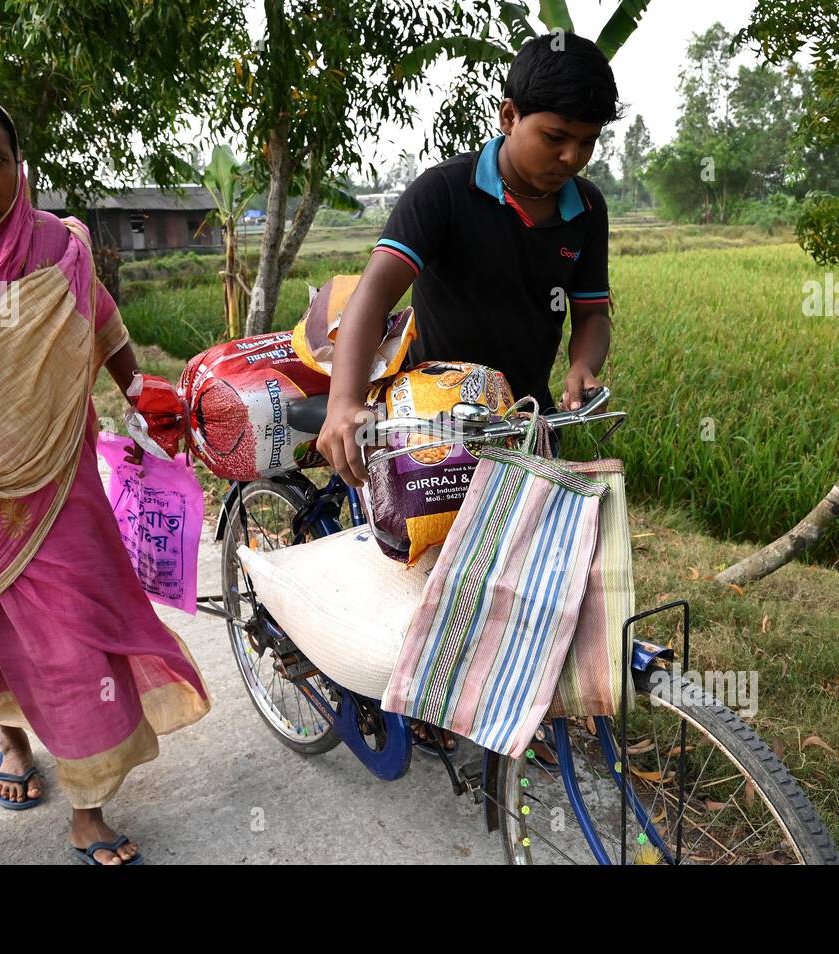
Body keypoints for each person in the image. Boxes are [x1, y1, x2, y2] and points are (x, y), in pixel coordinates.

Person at [0, 93, 210, 865]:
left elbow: (101, 319)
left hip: (56, 480)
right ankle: (13, 739)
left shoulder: (60, 245)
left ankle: (89, 805)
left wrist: (137, 391)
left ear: (19, 167)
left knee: (71, 635)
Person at [317, 33, 619, 751]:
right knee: (435, 568)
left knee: (531, 566)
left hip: (523, 414)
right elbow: (371, 296)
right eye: (555, 137)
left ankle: (508, 699)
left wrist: (583, 367)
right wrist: (343, 401)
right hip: (434, 417)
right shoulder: (444, 193)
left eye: (587, 142)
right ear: (510, 115)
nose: (570, 158)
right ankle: (408, 693)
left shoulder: (587, 208)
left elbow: (593, 312)